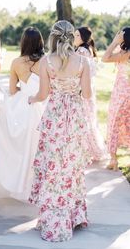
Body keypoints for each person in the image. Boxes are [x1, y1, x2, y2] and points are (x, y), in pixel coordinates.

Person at [28, 20, 92, 242]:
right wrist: (73, 89)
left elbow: (43, 94)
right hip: (74, 117)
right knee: (70, 166)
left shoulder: (47, 61)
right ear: (72, 37)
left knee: (53, 166)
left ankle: (52, 219)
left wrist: (31, 98)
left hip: (54, 117)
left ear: (54, 37)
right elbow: (87, 95)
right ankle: (72, 216)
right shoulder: (83, 61)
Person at [0, 27, 46, 199]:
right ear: (40, 42)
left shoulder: (16, 62)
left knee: (21, 145)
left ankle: (19, 181)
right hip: (42, 103)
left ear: (23, 42)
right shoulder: (46, 61)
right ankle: (40, 186)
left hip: (23, 105)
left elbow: (12, 90)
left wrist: (24, 90)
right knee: (39, 146)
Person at [102, 28, 130, 170]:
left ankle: (113, 160)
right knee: (127, 122)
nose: (117, 36)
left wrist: (114, 42)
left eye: (120, 34)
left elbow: (105, 58)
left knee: (114, 122)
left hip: (123, 92)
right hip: (124, 91)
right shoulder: (126, 51)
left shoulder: (127, 53)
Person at [74, 26, 105, 161]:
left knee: (84, 120)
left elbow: (76, 71)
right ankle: (92, 150)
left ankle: (86, 152)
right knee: (89, 119)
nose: (74, 38)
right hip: (89, 88)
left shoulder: (81, 51)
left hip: (83, 89)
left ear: (83, 38)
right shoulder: (89, 49)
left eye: (77, 36)